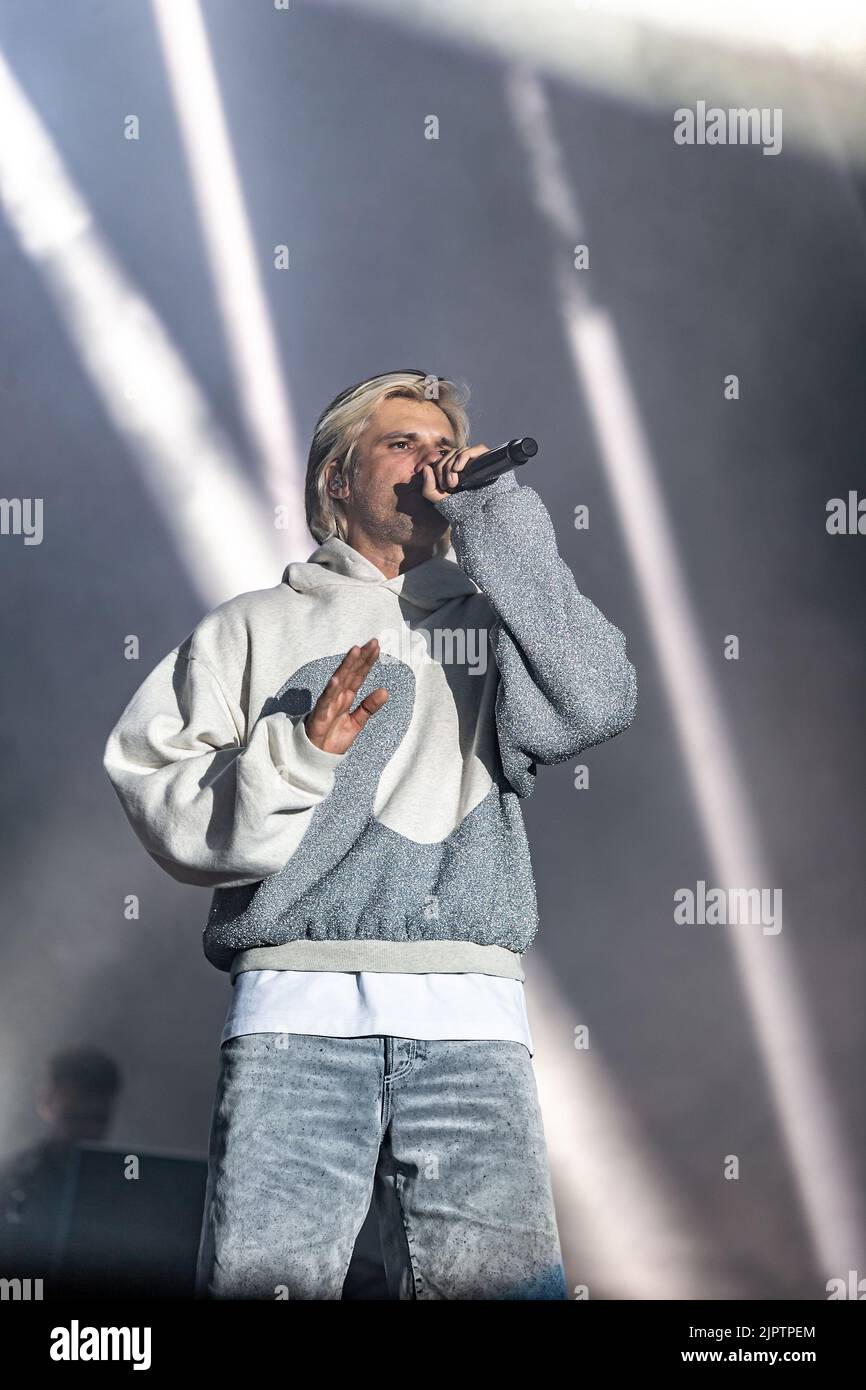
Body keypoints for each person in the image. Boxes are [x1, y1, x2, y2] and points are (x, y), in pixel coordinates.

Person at [102, 369, 637, 1299]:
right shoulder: (251, 627)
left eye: (444, 447)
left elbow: (598, 700)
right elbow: (165, 801)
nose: (433, 461)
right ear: (336, 482)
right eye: (402, 443)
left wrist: (498, 517)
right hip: (298, 1019)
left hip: (471, 1020)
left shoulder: (498, 624)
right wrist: (297, 759)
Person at [0, 1047, 122, 1280]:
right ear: (46, 1102)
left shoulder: (127, 1187)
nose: (85, 1132)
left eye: (96, 1119)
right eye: (73, 1117)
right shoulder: (8, 1179)